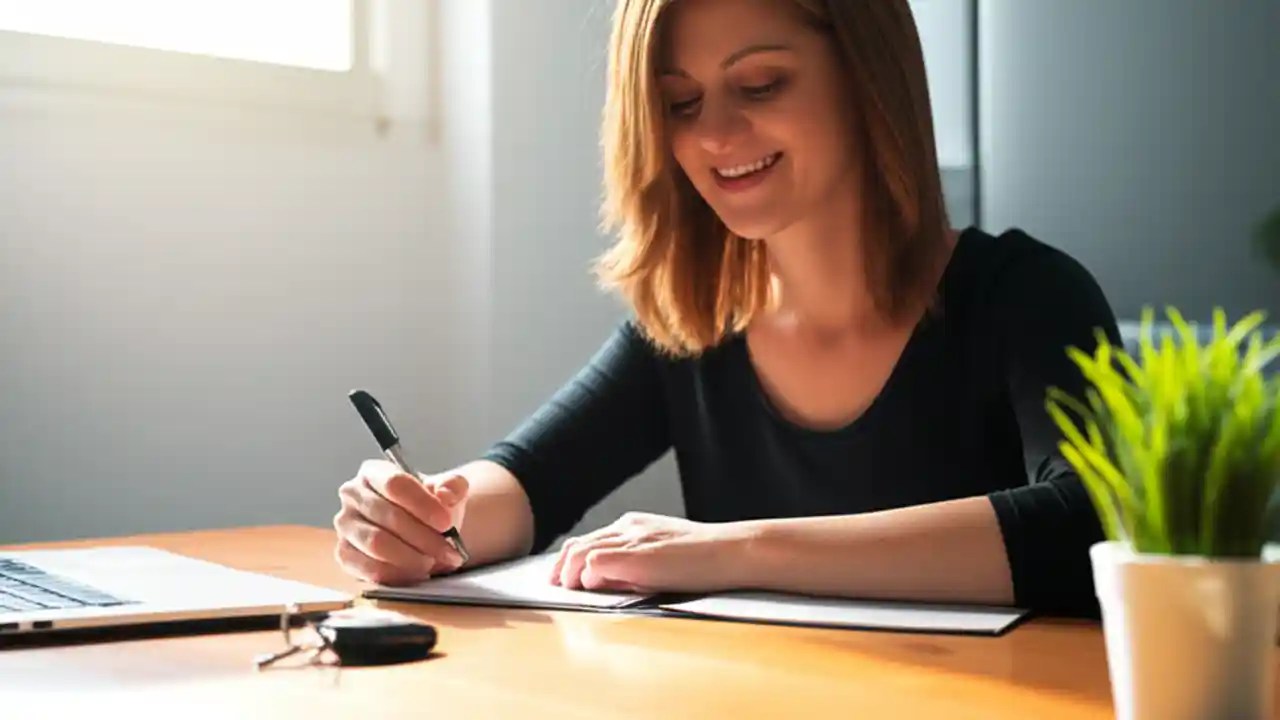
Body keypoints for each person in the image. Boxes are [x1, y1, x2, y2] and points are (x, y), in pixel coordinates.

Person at [333, 0, 1119, 617]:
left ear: (867, 75)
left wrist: (733, 551)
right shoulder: (691, 326)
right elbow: (530, 482)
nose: (715, 134)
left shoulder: (1029, 294)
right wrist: (425, 523)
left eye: (760, 85)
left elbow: (1092, 526)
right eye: (680, 103)